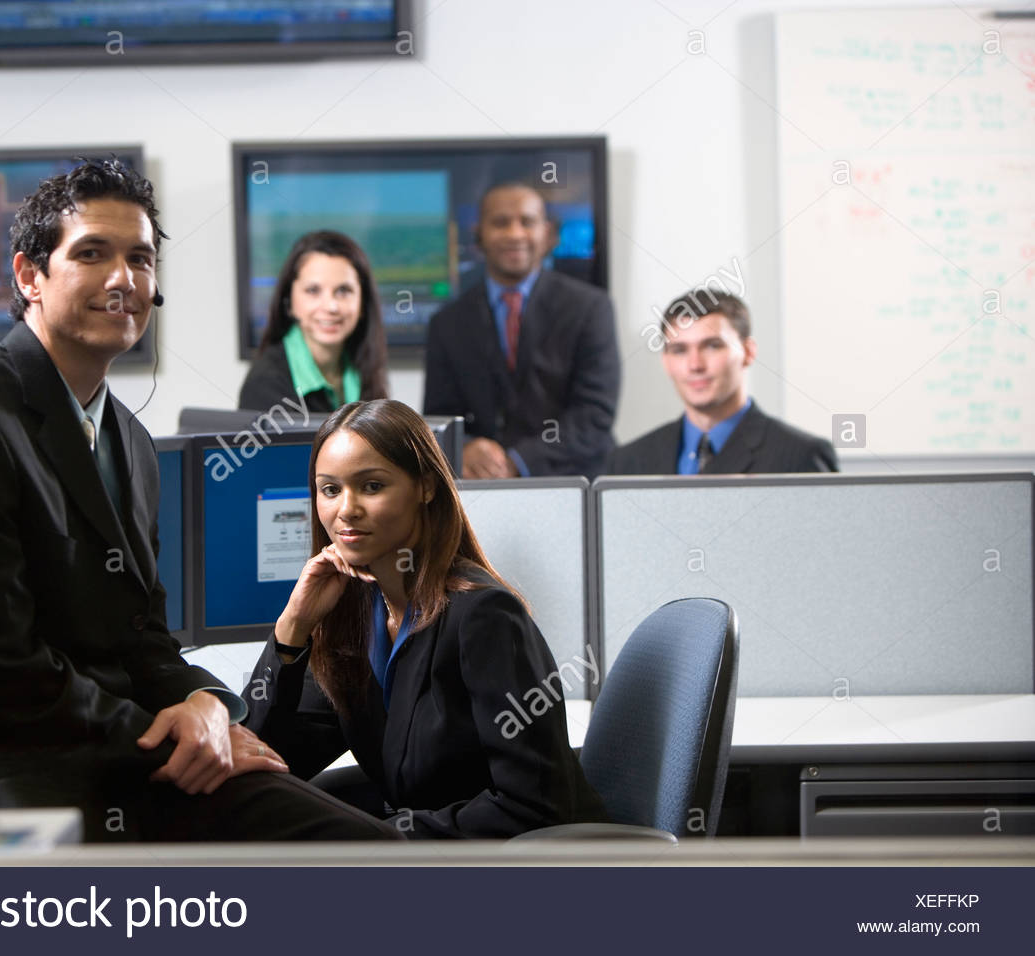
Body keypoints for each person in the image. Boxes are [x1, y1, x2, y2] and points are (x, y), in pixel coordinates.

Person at [0, 159, 397, 843]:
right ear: (29, 277)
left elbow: (140, 637)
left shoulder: (128, 441)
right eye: (91, 254)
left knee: (367, 845)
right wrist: (173, 735)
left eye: (140, 258)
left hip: (96, 749)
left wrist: (206, 704)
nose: (123, 279)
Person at [244, 399, 608, 838]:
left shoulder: (483, 617)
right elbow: (268, 758)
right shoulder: (357, 613)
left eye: (372, 486)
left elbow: (532, 808)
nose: (346, 509)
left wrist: (383, 841)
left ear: (426, 487)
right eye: (330, 489)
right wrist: (292, 628)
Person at [423, 182, 620, 478]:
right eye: (500, 222)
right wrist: (464, 447)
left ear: (548, 233)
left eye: (527, 222)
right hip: (481, 490)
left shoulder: (591, 308)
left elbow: (594, 416)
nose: (515, 234)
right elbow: (439, 420)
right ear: (479, 235)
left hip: (574, 484)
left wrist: (518, 461)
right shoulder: (447, 323)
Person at [605, 289, 838, 475]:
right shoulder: (627, 463)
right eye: (679, 350)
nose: (695, 365)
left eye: (712, 346)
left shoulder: (800, 457)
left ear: (748, 352)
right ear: (666, 362)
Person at [240, 230, 389, 413]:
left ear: (363, 303)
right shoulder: (264, 386)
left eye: (343, 290)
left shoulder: (364, 367)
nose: (331, 306)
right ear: (289, 302)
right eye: (313, 290)